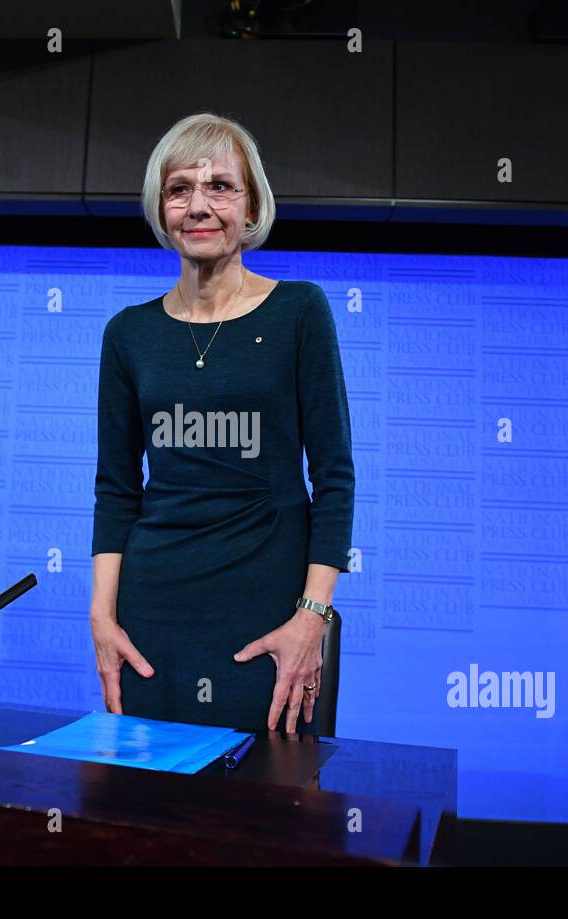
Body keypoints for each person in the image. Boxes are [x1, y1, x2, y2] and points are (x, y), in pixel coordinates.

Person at [89, 112, 354, 735]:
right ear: (161, 208)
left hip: (269, 614)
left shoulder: (300, 311)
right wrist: (103, 618)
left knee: (271, 809)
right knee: (151, 812)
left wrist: (312, 617)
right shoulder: (128, 333)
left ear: (252, 205)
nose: (199, 207)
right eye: (180, 189)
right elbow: (116, 489)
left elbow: (335, 479)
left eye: (221, 188)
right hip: (153, 615)